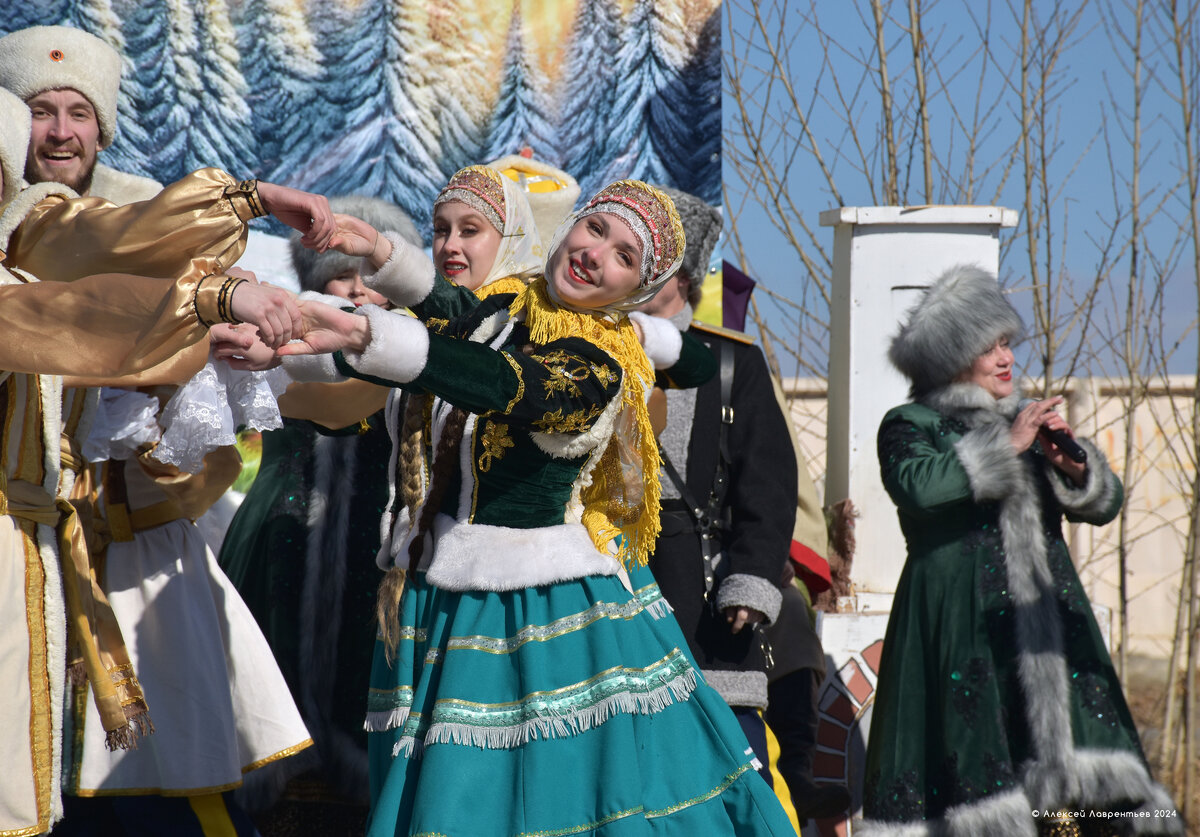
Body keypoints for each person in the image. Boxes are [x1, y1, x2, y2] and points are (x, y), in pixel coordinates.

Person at [280, 180, 796, 836]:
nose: (595, 252)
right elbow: (455, 313)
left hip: (541, 610)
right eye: (596, 229)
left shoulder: (602, 359)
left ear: (635, 290)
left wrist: (363, 330)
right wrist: (378, 252)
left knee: (516, 801)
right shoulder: (514, 301)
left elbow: (505, 383)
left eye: (624, 256)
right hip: (442, 596)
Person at [0, 87, 308, 837]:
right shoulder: (37, 265)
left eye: (80, 113)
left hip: (98, 546)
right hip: (41, 547)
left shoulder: (101, 233)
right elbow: (64, 322)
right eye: (42, 111)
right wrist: (210, 298)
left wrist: (254, 331)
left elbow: (100, 327)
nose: (61, 132)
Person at [861, 265, 1181, 836]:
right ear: (954, 357)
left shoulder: (1029, 423)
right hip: (962, 634)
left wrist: (1073, 465)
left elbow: (1104, 506)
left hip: (1047, 627)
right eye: (989, 348)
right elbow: (917, 487)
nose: (1007, 358)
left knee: (1093, 796)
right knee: (980, 788)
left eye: (1007, 342)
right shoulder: (911, 423)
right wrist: (1004, 446)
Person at [216, 195, 423, 833]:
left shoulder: (412, 350)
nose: (357, 289)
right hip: (278, 540)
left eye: (367, 275)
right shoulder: (284, 335)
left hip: (378, 543)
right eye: (339, 274)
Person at [634, 185, 794, 780]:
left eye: (656, 253)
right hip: (607, 587)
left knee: (727, 786)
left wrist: (749, 584)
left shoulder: (731, 363)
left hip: (701, 602)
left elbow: (768, 488)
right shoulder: (578, 352)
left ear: (684, 271)